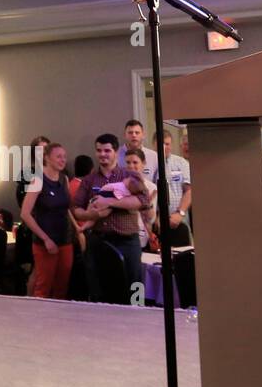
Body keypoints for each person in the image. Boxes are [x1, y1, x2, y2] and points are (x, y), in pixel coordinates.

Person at [73, 134, 149, 302]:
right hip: (99, 242)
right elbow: (76, 209)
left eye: (107, 150)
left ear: (116, 152)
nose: (103, 154)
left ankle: (138, 323)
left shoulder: (129, 176)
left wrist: (110, 202)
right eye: (99, 150)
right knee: (99, 291)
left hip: (127, 241)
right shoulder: (89, 179)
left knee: (134, 290)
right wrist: (90, 215)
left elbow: (143, 200)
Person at [20, 142, 81, 299]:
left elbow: (68, 209)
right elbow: (25, 214)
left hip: (65, 240)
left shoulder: (64, 179)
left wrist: (78, 229)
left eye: (64, 157)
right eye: (58, 157)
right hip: (45, 242)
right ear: (47, 158)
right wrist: (45, 239)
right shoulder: (38, 180)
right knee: (44, 286)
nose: (63, 160)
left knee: (62, 286)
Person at [159, 129, 192, 247]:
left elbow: (189, 191)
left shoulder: (181, 163)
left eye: (167, 144)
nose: (164, 147)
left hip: (179, 220)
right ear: (154, 144)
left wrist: (180, 213)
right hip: (158, 223)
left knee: (183, 258)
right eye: (161, 143)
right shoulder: (150, 163)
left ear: (171, 145)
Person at [117, 119, 158, 187]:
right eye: (130, 132)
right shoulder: (116, 155)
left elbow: (157, 183)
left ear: (143, 135)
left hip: (149, 195)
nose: (134, 135)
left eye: (137, 132)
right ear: (124, 135)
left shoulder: (154, 156)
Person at [15, 135, 50, 208]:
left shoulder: (58, 173)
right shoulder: (27, 174)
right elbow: (24, 204)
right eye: (40, 150)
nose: (44, 152)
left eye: (46, 149)